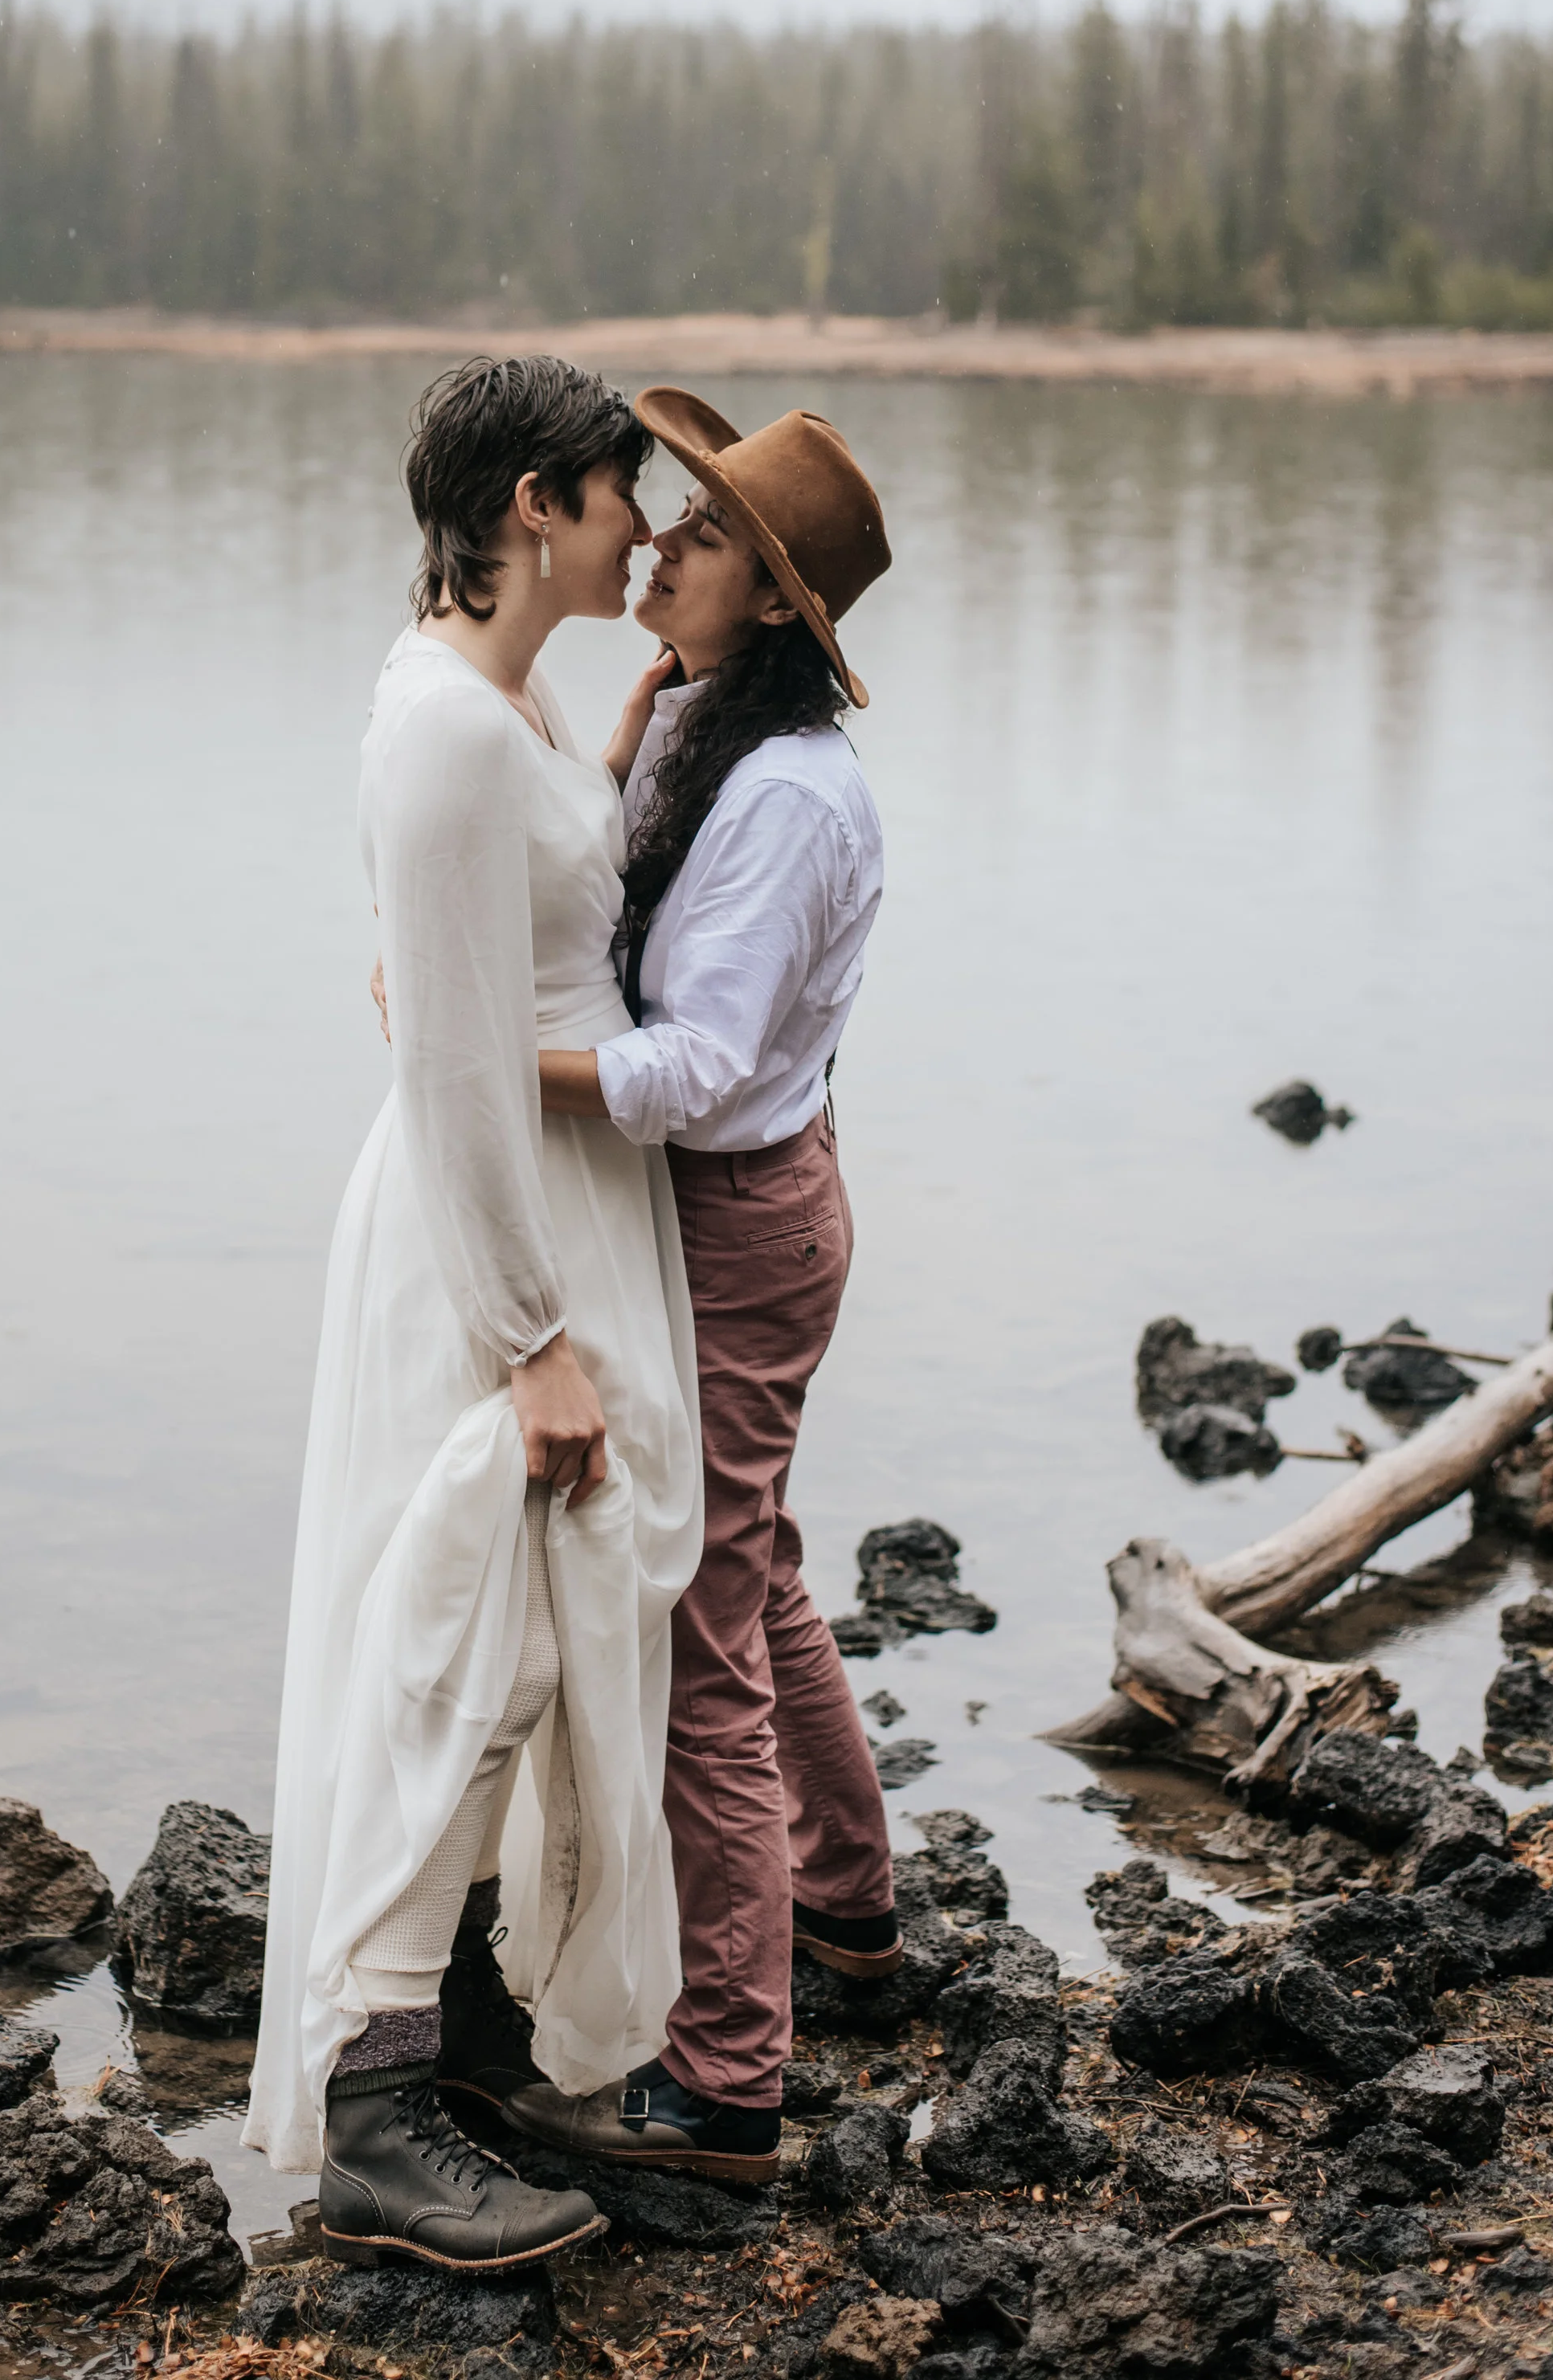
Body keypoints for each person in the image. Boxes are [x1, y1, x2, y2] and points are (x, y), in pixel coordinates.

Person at [244, 357, 703, 2276]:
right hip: (484, 1240)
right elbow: (447, 1051)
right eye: (620, 495)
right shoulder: (440, 725)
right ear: (536, 502)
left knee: (541, 1626)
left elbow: (493, 938)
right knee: (464, 1637)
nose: (641, 529)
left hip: (558, 1205)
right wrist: (524, 1336)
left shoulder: (496, 702)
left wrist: (622, 736)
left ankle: (473, 2035)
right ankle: (369, 2105)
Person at [505, 389, 897, 2186]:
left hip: (737, 1219)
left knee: (698, 1632)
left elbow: (695, 1072)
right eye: (667, 514)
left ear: (775, 603)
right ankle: (849, 1906)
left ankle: (730, 2082)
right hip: (722, 1210)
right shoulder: (688, 710)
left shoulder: (795, 799)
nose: (658, 539)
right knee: (757, 1561)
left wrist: (482, 1062)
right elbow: (598, 886)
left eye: (706, 535)